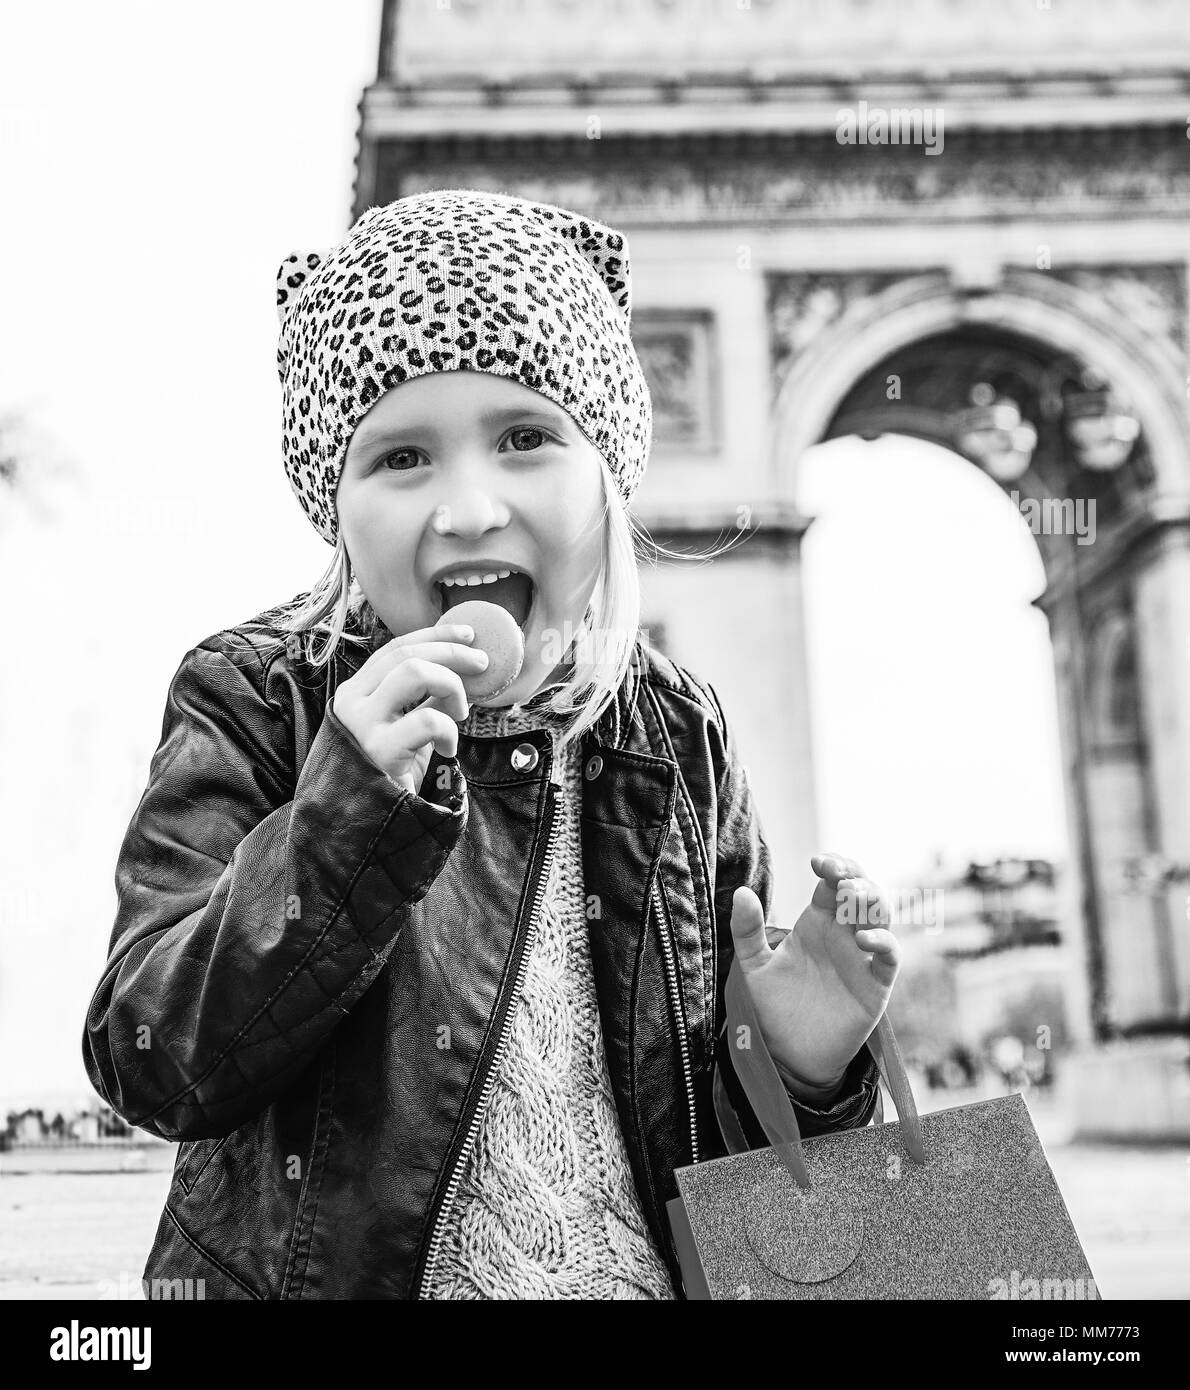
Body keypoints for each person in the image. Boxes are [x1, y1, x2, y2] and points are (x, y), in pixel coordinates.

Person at [82, 188, 900, 1300]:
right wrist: (343, 815)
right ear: (334, 503)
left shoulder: (681, 732)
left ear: (606, 471)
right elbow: (151, 1056)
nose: (467, 508)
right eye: (401, 457)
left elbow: (722, 1164)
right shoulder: (255, 697)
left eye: (524, 438)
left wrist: (803, 1065)